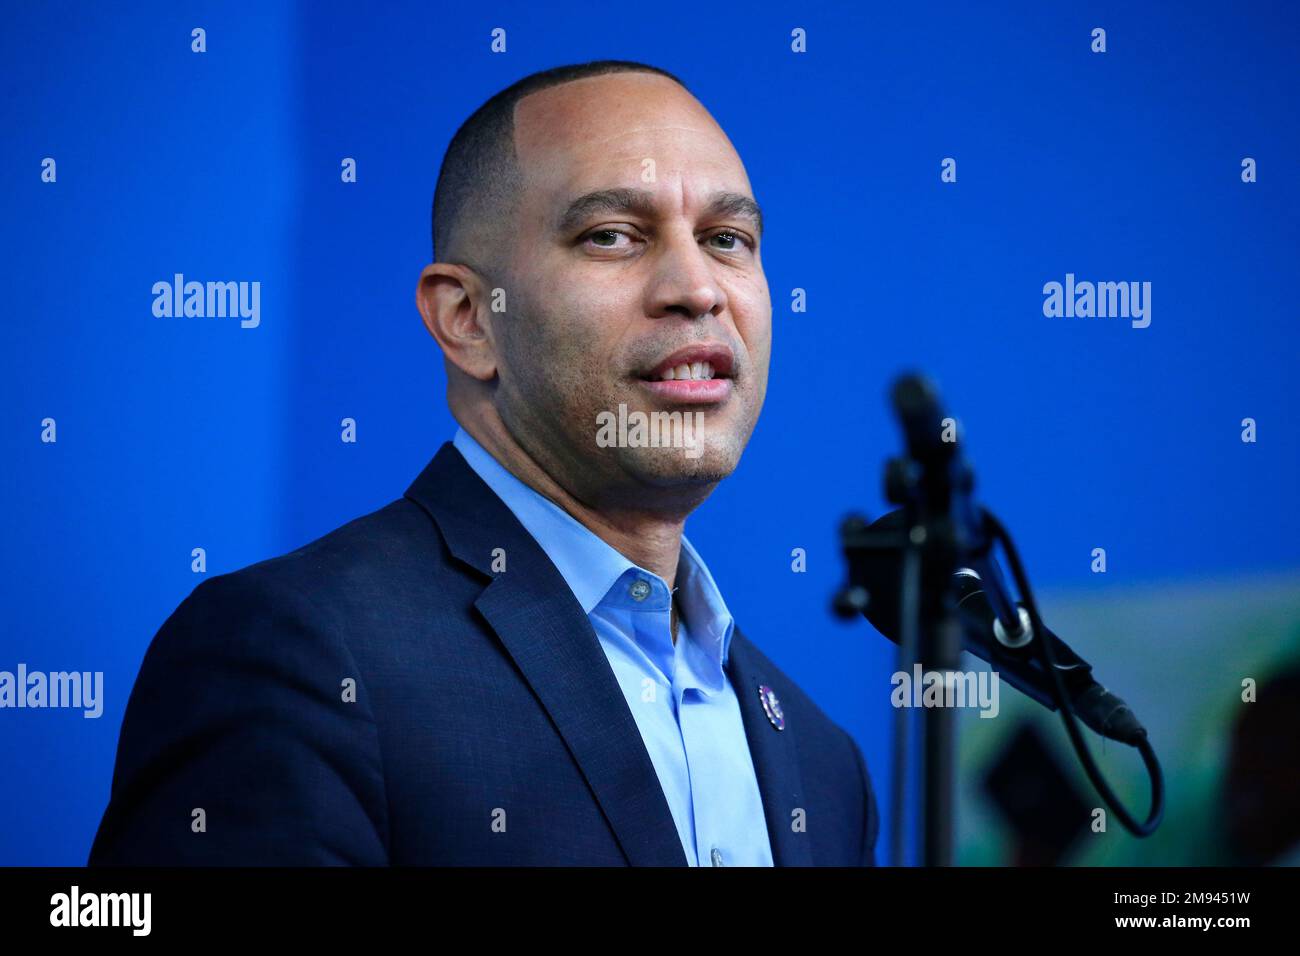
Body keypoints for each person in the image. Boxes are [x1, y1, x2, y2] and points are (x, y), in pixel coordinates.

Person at [88, 59, 879, 866]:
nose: (697, 288)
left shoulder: (824, 765)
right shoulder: (298, 656)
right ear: (468, 319)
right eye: (612, 236)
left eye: (727, 240)